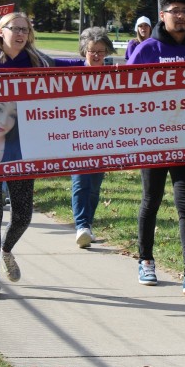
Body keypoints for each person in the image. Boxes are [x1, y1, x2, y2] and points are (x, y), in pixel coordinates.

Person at [0, 12, 79, 299]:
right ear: (1, 32)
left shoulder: (36, 61)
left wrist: (92, 61)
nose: (21, 34)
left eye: (26, 29)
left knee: (22, 215)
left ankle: (7, 249)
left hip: (25, 147)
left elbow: (69, 69)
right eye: (15, 29)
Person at [127, 0, 185, 296]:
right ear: (162, 16)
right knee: (151, 200)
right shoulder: (148, 49)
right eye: (174, 10)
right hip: (154, 140)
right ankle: (146, 260)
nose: (180, 16)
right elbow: (125, 90)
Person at [70, 27, 115, 248]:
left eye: (100, 51)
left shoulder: (115, 75)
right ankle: (81, 226)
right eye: (91, 51)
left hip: (103, 137)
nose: (96, 55)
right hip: (77, 136)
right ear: (83, 52)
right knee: (80, 180)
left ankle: (88, 224)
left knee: (95, 184)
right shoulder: (72, 72)